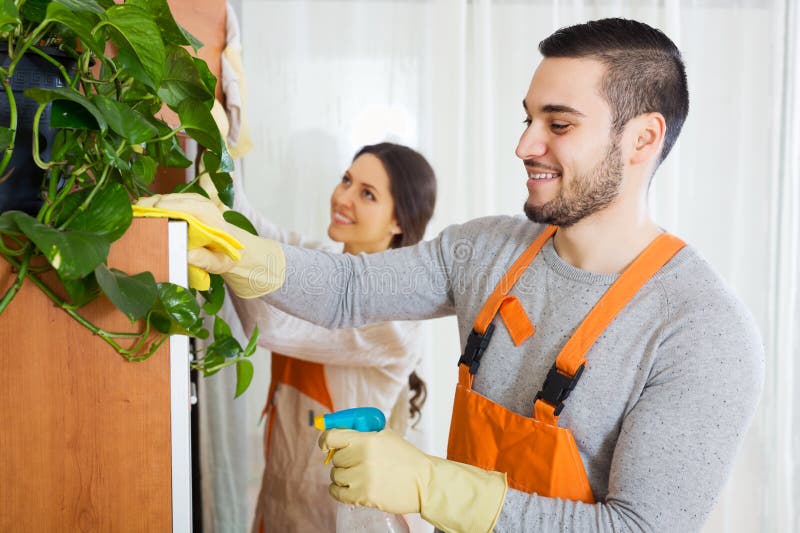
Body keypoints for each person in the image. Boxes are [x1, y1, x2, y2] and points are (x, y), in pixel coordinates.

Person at [145, 18, 764, 533]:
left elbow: (641, 528)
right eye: (527, 119)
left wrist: (433, 485)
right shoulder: (485, 251)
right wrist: (237, 249)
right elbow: (348, 289)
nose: (525, 144)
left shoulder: (702, 330)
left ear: (642, 139)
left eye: (559, 123)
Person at [228, 142, 436, 532]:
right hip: (283, 498)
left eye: (367, 194)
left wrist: (223, 250)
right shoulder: (322, 260)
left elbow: (270, 326)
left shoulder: (394, 318)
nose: (343, 198)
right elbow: (250, 224)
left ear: (399, 222)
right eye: (346, 180)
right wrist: (222, 135)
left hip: (343, 516)